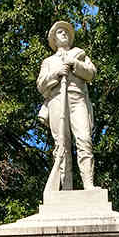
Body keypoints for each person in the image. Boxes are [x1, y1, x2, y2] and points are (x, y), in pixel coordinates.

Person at [37, 20, 96, 190]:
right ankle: (66, 187)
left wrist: (75, 65)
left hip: (77, 99)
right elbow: (41, 85)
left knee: (84, 139)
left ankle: (88, 184)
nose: (64, 34)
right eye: (59, 32)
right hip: (56, 101)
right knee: (61, 145)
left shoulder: (79, 54)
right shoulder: (48, 61)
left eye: (66, 32)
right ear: (54, 39)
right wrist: (56, 73)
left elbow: (91, 73)